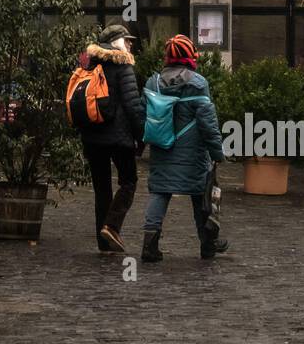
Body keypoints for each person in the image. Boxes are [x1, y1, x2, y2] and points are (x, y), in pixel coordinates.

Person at [139, 34, 229, 263]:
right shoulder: (198, 84)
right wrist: (217, 152)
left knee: (160, 193)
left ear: (167, 56)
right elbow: (208, 124)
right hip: (194, 154)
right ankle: (207, 246)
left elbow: (142, 117)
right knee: (201, 196)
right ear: (190, 56)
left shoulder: (153, 83)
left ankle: (149, 246)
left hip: (162, 149)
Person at [75, 23, 144, 254]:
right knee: (129, 181)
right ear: (116, 42)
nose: (130, 44)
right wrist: (141, 136)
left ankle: (103, 243)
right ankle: (111, 227)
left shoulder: (88, 63)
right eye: (127, 40)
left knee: (102, 189)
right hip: (119, 137)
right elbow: (133, 106)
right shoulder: (123, 65)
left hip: (92, 136)